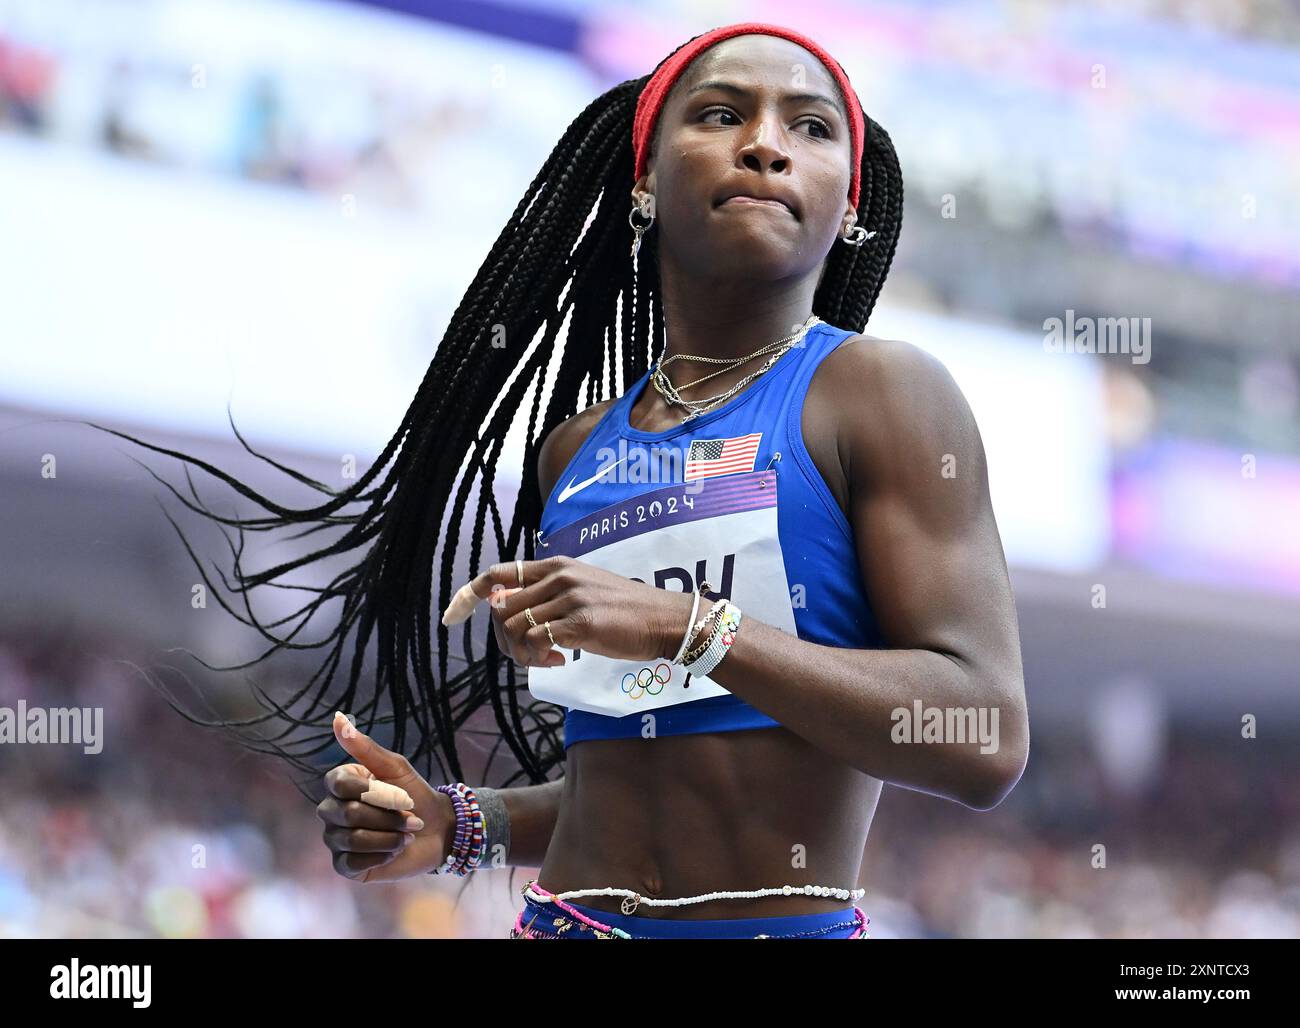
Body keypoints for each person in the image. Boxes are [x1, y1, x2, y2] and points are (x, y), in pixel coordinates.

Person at [89, 22, 1027, 939]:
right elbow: (641, 760)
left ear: (851, 202)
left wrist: (684, 626)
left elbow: (984, 739)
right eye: (719, 114)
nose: (767, 147)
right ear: (646, 181)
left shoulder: (880, 395)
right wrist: (461, 824)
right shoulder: (575, 454)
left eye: (811, 128)